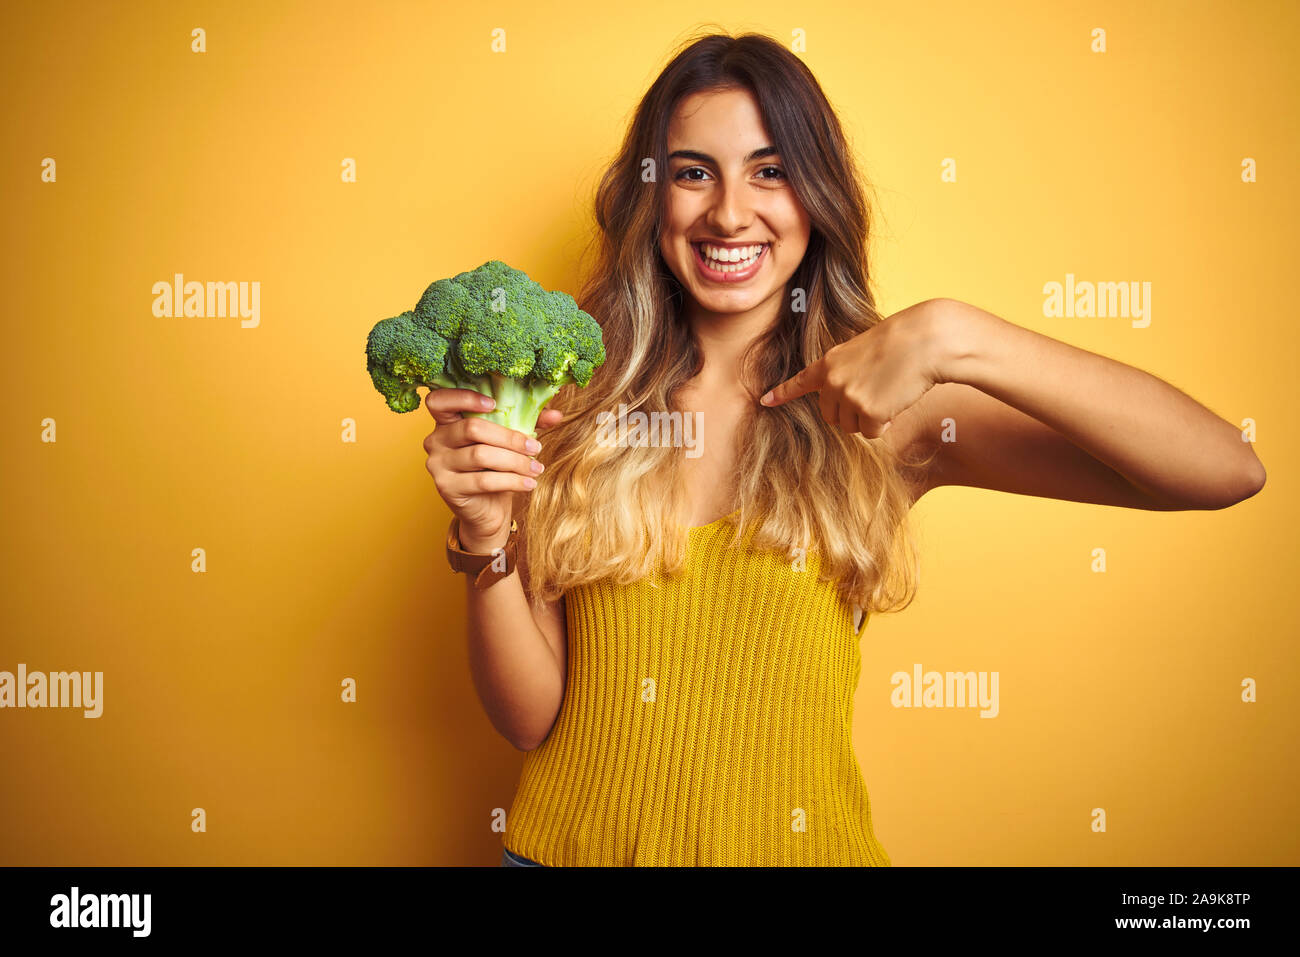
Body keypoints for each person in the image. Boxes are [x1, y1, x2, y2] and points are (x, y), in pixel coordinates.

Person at [423, 31, 1267, 867]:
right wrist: (485, 535)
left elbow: (1224, 467)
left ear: (816, 194)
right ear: (653, 196)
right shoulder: (569, 395)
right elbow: (535, 719)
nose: (728, 212)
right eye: (692, 172)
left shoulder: (889, 416)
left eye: (771, 170)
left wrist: (957, 335)